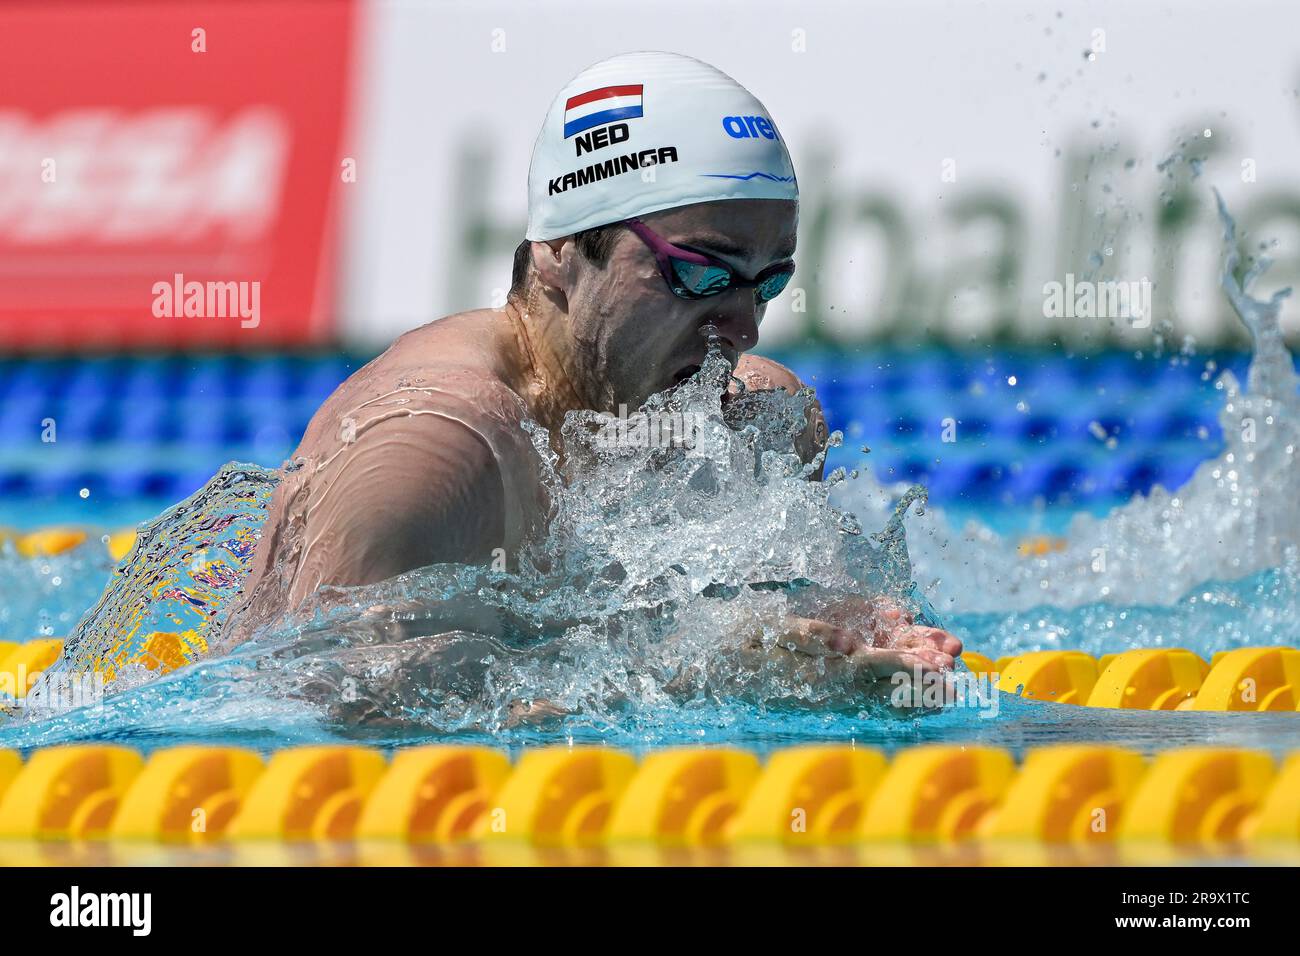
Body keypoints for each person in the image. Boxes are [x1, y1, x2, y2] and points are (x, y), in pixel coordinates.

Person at [226, 51, 960, 685]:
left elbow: (788, 639)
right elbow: (330, 735)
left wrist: (852, 650)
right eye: (702, 274)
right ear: (561, 250)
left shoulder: (753, 426)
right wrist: (711, 665)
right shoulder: (431, 457)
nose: (744, 325)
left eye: (767, 281)